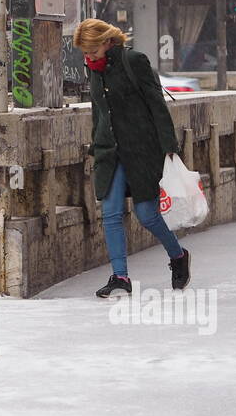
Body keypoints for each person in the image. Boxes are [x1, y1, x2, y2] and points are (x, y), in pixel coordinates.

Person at [74, 19, 190, 298]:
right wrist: (96, 145)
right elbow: (98, 111)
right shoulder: (94, 69)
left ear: (106, 41)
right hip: (110, 151)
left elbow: (156, 103)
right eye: (84, 52)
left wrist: (169, 145)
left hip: (140, 150)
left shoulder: (134, 61)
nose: (88, 57)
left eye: (91, 50)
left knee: (148, 215)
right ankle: (120, 276)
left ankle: (178, 256)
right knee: (110, 213)